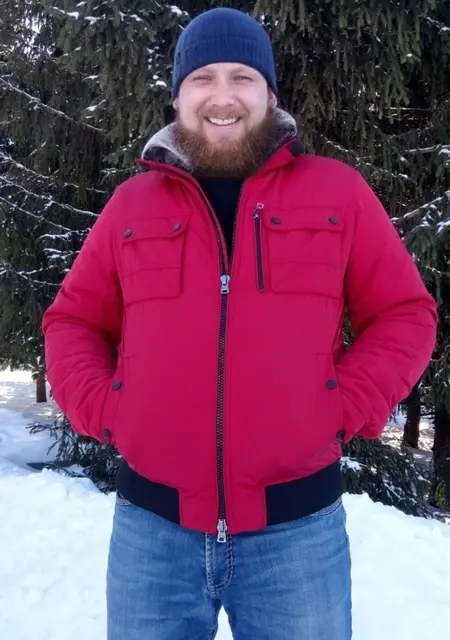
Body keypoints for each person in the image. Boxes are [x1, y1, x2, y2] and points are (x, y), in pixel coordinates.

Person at [42, 7, 437, 640]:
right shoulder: (130, 206)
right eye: (202, 78)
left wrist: (342, 404)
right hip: (153, 535)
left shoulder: (337, 193)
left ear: (270, 95)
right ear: (177, 98)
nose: (222, 97)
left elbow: (404, 314)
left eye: (242, 77)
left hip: (296, 537)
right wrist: (110, 408)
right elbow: (74, 321)